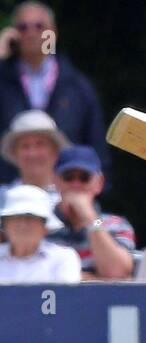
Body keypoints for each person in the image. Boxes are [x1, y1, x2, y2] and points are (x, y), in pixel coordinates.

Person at [0, 0, 109, 185]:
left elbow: (96, 144)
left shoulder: (77, 86)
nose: (31, 33)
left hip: (66, 192)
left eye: (39, 26)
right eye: (23, 27)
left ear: (54, 33)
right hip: (8, 194)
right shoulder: (2, 80)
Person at [45, 145, 137, 279]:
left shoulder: (116, 225)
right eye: (68, 177)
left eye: (84, 177)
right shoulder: (42, 225)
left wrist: (90, 218)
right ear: (56, 181)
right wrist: (91, 278)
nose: (76, 184)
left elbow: (116, 273)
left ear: (99, 183)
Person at [0, 184, 79, 282]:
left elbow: (66, 296)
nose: (23, 224)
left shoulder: (63, 258)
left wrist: (95, 222)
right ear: (5, 224)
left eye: (31, 217)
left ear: (45, 227)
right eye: (16, 217)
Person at [0, 109, 67, 210]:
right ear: (14, 153)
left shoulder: (70, 194)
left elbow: (98, 223)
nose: (32, 154)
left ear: (55, 150)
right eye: (24, 146)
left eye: (40, 144)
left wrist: (90, 218)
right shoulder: (3, 197)